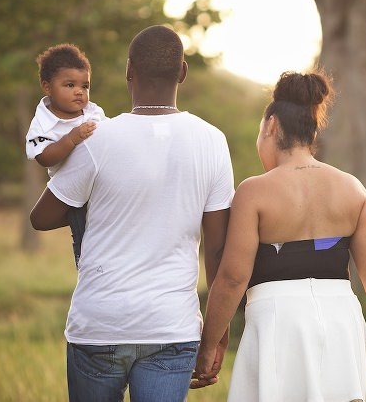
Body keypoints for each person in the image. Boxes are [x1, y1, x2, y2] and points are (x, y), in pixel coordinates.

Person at [29, 25, 234, 402]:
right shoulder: (212, 141)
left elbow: (41, 218)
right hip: (171, 328)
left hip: (100, 325)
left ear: (128, 71)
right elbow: (218, 251)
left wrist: (101, 200)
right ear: (183, 72)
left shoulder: (96, 137)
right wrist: (217, 335)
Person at [194, 71, 366, 401]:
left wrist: (209, 344)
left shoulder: (254, 192)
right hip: (342, 321)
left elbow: (233, 277)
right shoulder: (352, 188)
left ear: (271, 126)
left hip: (278, 323)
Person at [25, 43, 107, 269]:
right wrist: (71, 139)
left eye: (85, 86)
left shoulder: (92, 112)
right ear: (47, 87)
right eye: (70, 85)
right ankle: (88, 267)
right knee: (83, 233)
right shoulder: (43, 123)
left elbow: (109, 137)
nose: (80, 91)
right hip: (73, 191)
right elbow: (44, 157)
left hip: (100, 183)